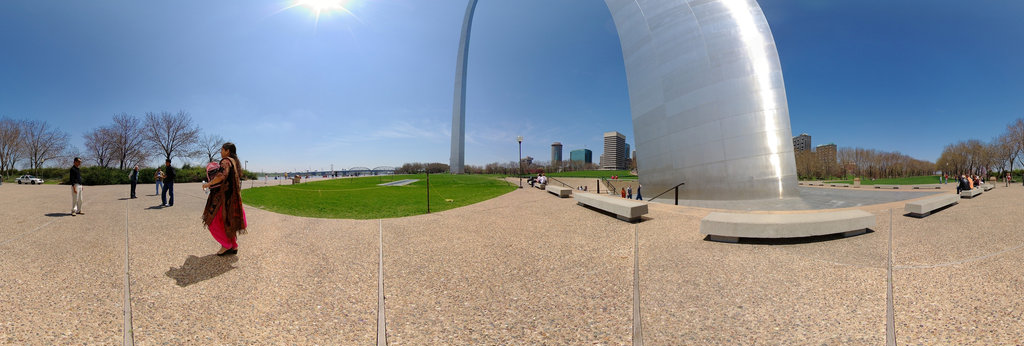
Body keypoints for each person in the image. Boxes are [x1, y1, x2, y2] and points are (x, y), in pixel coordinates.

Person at [202, 142, 248, 256]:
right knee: (227, 222)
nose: (220, 152)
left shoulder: (226, 161)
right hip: (232, 199)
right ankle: (234, 245)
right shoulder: (235, 162)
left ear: (227, 151)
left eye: (222, 149)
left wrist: (208, 184)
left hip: (223, 198)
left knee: (214, 222)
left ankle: (226, 245)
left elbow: (221, 176)